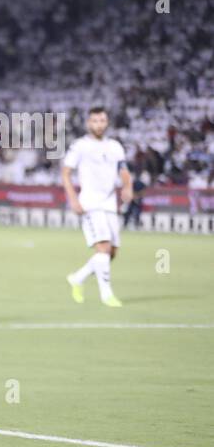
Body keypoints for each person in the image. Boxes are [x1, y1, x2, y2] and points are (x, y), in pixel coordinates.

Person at [63, 107, 132, 307]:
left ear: (107, 123)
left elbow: (123, 170)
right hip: (90, 204)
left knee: (111, 253)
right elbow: (66, 173)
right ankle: (106, 295)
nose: (98, 124)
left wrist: (127, 186)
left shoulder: (115, 146)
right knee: (102, 247)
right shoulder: (80, 146)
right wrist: (73, 199)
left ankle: (77, 278)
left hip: (110, 203)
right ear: (88, 123)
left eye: (102, 120)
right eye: (94, 121)